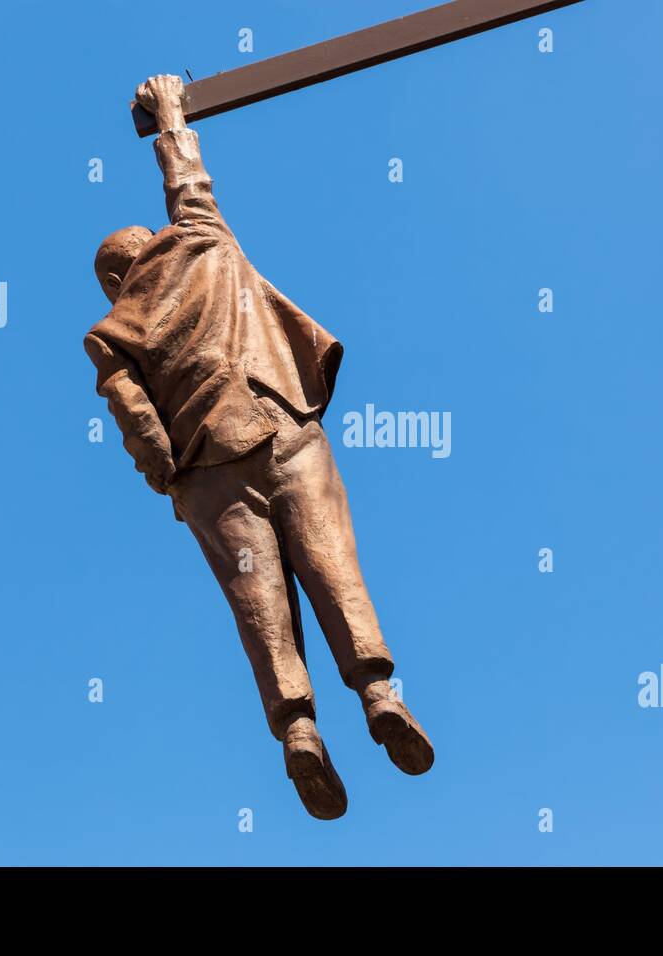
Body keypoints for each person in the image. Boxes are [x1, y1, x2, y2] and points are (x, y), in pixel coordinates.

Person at [84, 75, 433, 819]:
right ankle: (377, 695)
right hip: (282, 429)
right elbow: (189, 180)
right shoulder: (203, 242)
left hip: (210, 471)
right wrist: (171, 113)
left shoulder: (113, 334)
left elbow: (135, 424)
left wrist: (173, 479)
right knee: (332, 565)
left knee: (259, 605)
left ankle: (298, 732)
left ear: (114, 283)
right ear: (154, 242)